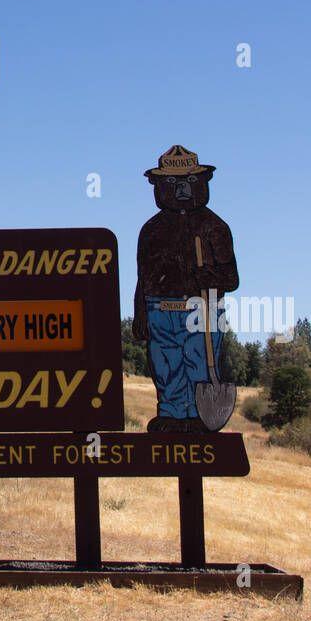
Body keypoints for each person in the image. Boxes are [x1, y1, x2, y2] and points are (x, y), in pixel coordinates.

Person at [133, 145, 238, 431]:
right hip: (160, 309)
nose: (181, 189)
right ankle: (171, 413)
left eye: (190, 181)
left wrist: (208, 276)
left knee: (199, 364)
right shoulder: (151, 230)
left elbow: (231, 279)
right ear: (158, 186)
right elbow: (143, 276)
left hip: (202, 309)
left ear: (203, 183)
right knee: (166, 364)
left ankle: (198, 417)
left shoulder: (214, 227)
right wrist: (141, 312)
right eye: (172, 182)